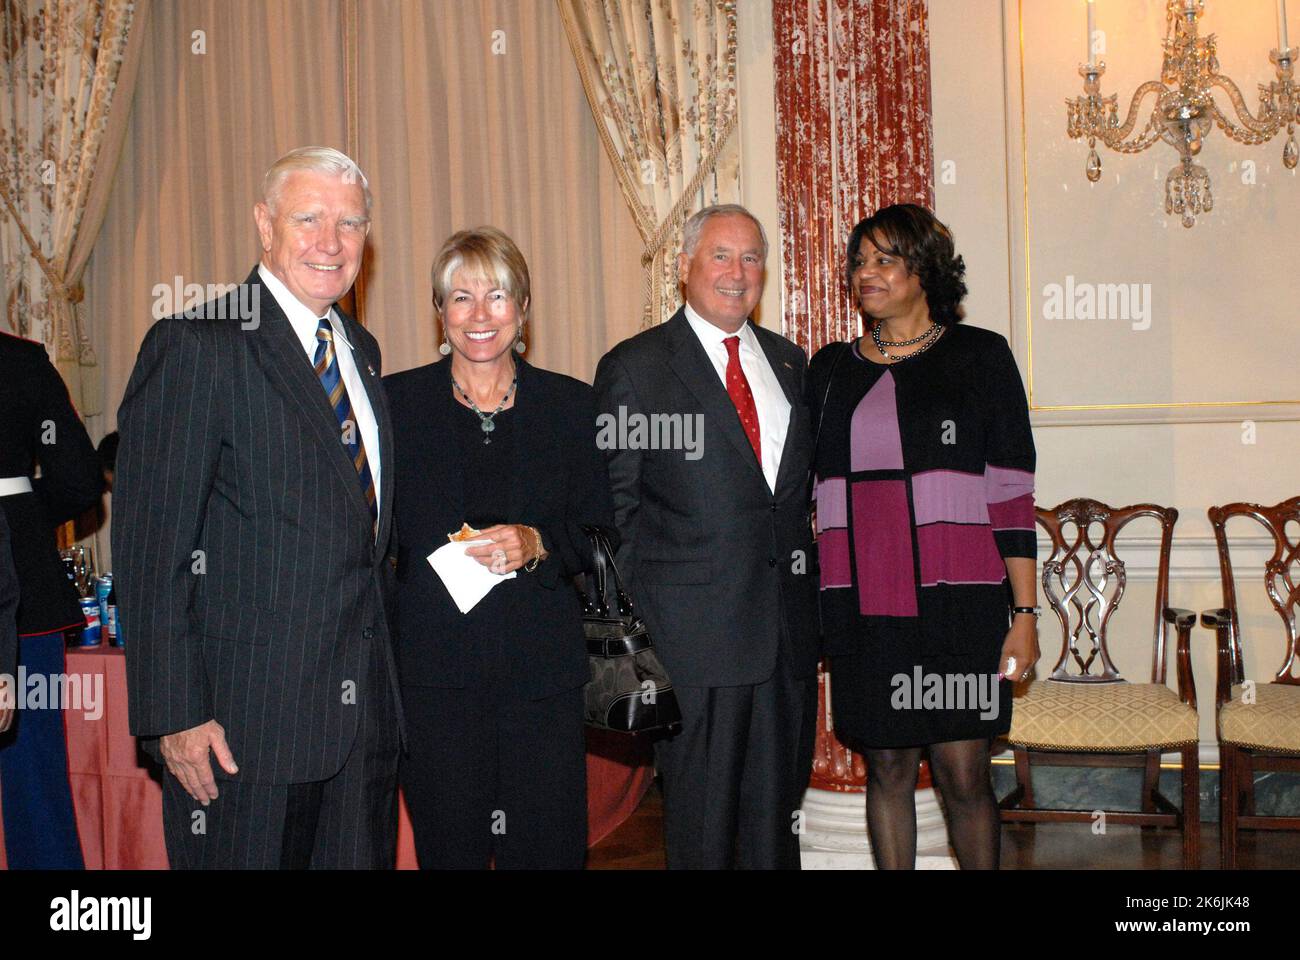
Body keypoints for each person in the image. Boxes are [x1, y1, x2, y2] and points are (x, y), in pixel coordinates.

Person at [114, 146, 403, 869]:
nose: (331, 242)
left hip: (361, 724)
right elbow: (153, 553)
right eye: (309, 218)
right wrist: (174, 715)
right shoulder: (197, 346)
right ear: (263, 225)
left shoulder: (361, 351)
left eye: (350, 223)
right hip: (246, 731)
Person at [807, 203, 1038, 869]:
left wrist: (1023, 615)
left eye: (884, 259)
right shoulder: (829, 371)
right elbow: (807, 492)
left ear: (925, 269)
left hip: (959, 608)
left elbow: (1011, 491)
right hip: (866, 611)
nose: (865, 273)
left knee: (965, 776)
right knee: (888, 773)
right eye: (858, 261)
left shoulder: (980, 356)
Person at [593, 204, 819, 869]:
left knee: (777, 827)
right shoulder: (636, 368)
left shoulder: (789, 363)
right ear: (685, 266)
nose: (737, 272)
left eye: (751, 258)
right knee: (702, 830)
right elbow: (615, 518)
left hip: (785, 642)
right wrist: (646, 646)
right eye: (720, 255)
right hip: (692, 650)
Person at [384, 227, 614, 869]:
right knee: (449, 851)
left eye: (497, 296)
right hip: (434, 679)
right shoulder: (395, 406)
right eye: (461, 298)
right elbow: (368, 538)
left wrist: (540, 542)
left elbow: (601, 533)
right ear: (439, 311)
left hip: (540, 678)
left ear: (523, 307)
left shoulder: (571, 406)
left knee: (546, 852)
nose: (479, 316)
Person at [0, 328, 104, 868]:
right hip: (23, 596)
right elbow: (81, 479)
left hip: (23, 600)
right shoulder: (19, 359)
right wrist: (18, 522)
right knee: (34, 784)